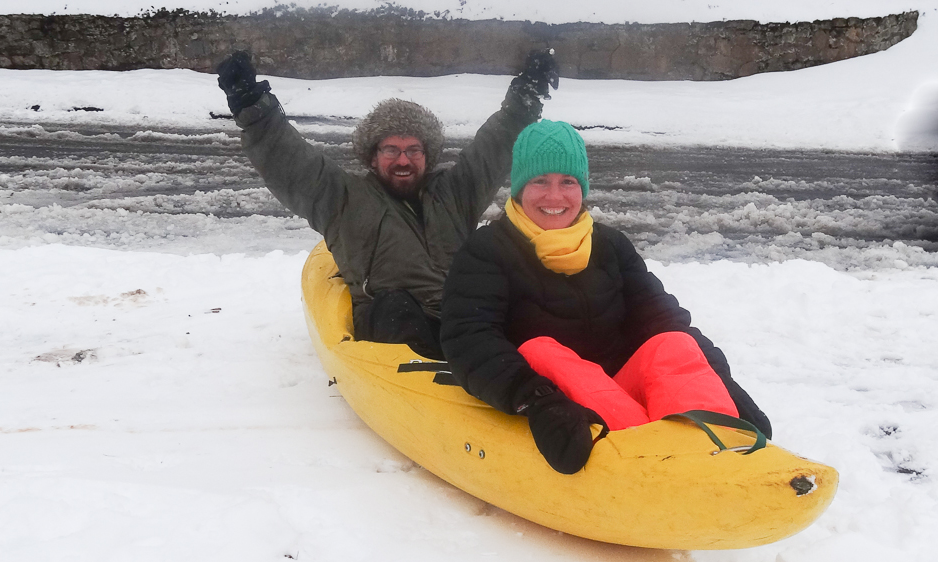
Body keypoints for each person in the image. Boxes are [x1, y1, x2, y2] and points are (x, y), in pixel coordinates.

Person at [440, 120, 772, 474]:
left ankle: (713, 442)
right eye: (540, 181)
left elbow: (661, 318)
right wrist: (535, 399)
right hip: (555, 399)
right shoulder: (487, 250)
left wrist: (719, 376)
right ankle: (643, 457)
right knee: (541, 349)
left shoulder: (610, 245)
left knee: (672, 343)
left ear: (581, 188)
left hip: (619, 388)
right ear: (520, 188)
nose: (555, 196)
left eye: (567, 182)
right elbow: (470, 338)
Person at [215, 49, 559, 360]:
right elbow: (288, 160)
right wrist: (253, 107)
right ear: (372, 156)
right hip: (395, 325)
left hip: (461, 319)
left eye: (414, 150)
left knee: (518, 304)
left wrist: (527, 96)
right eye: (391, 149)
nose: (403, 160)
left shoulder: (456, 193)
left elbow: (494, 148)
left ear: (428, 156)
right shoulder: (341, 199)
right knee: (396, 306)